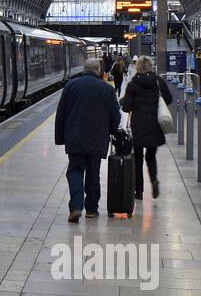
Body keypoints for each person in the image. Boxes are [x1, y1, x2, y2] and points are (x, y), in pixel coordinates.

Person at [55, 58, 121, 223]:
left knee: (75, 171)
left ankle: (76, 206)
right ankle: (91, 209)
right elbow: (116, 115)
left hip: (75, 137)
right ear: (99, 70)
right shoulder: (107, 89)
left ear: (84, 69)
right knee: (93, 173)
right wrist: (112, 131)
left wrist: (60, 137)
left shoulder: (70, 86)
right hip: (97, 138)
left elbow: (61, 112)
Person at [120, 56, 173, 200]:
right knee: (151, 157)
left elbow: (126, 108)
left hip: (138, 126)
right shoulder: (158, 81)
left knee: (137, 158)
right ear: (150, 66)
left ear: (137, 67)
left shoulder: (133, 84)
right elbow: (169, 99)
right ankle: (154, 180)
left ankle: (139, 191)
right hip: (154, 125)